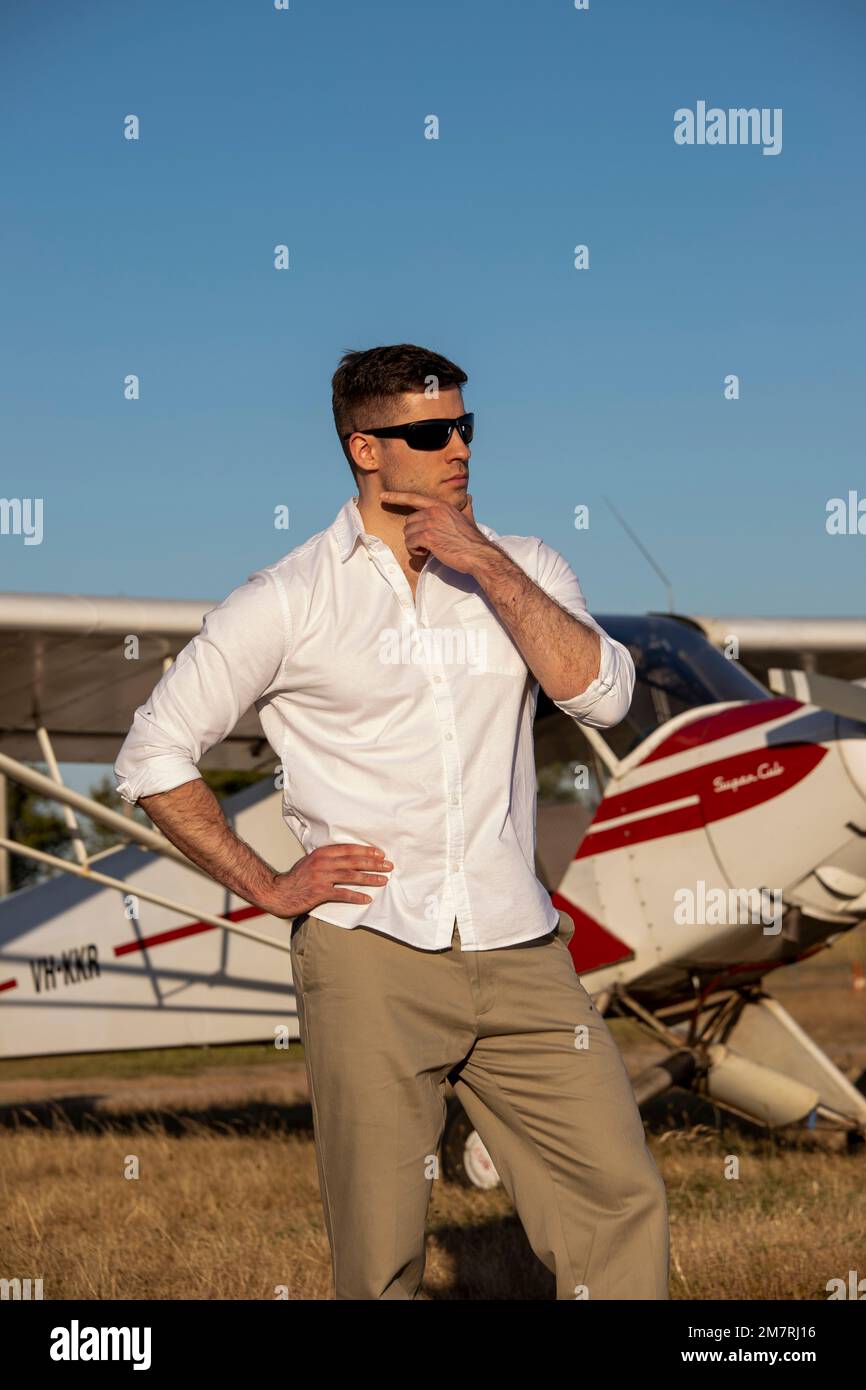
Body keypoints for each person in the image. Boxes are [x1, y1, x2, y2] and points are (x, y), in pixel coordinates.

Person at [114, 342, 669, 1301]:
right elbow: (152, 755)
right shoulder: (286, 597)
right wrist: (270, 885)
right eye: (428, 432)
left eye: (465, 425)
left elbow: (605, 698)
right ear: (364, 449)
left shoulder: (526, 564)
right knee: (381, 1251)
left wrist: (485, 563)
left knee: (618, 1197)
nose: (456, 447)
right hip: (369, 949)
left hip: (521, 945)